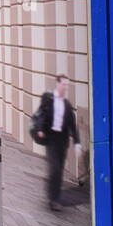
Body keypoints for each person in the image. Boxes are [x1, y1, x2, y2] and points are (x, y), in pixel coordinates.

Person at [34, 74, 81, 211]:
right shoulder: (49, 99)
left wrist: (77, 143)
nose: (65, 87)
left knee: (59, 170)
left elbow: (73, 125)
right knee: (54, 168)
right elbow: (41, 114)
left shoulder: (67, 104)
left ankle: (55, 197)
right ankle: (52, 199)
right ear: (58, 84)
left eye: (67, 85)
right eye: (63, 84)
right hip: (51, 138)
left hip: (62, 140)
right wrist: (40, 129)